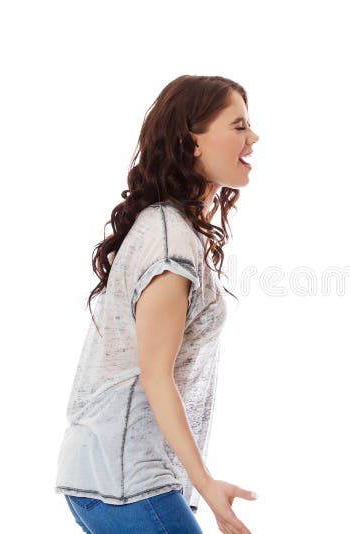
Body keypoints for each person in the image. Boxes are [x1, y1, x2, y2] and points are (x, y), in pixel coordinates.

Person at [55, 75, 260, 534]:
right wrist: (206, 484)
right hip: (128, 481)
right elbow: (155, 374)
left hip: (110, 477)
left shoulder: (168, 226)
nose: (254, 137)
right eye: (239, 125)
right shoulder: (170, 241)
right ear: (192, 144)